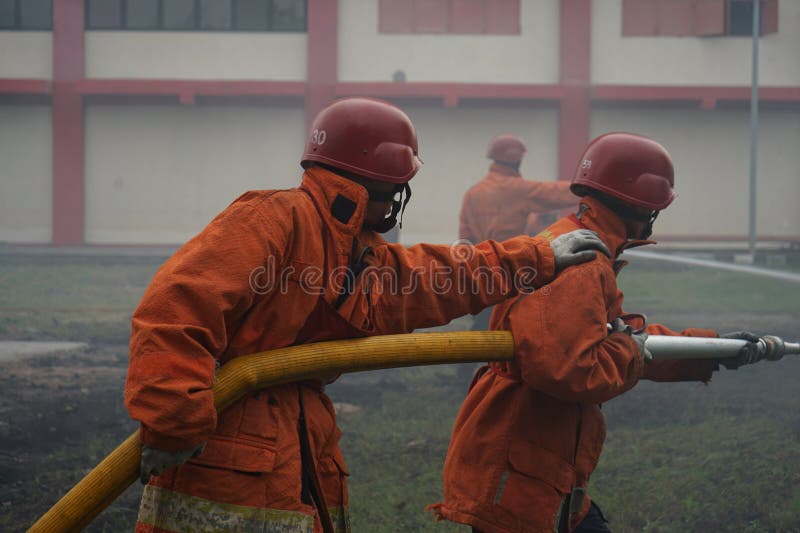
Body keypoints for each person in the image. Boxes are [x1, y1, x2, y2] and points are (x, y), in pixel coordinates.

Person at [124, 97, 610, 533]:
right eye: (399, 186)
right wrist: (173, 421)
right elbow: (175, 309)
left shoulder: (358, 255)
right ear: (378, 181)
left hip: (296, 437)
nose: (400, 198)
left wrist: (537, 259)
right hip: (227, 449)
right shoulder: (272, 220)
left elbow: (440, 275)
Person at [428, 132, 785, 533]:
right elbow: (573, 369)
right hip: (520, 471)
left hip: (536, 463)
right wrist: (628, 349)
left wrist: (713, 347)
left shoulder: (575, 240)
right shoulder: (581, 261)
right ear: (643, 205)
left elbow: (620, 336)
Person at [460, 134, 578, 331]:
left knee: (483, 323)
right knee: (506, 324)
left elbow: (464, 237)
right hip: (509, 266)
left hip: (480, 268)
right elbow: (555, 193)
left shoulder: (473, 193)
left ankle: (470, 359)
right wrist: (590, 188)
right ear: (518, 159)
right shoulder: (518, 189)